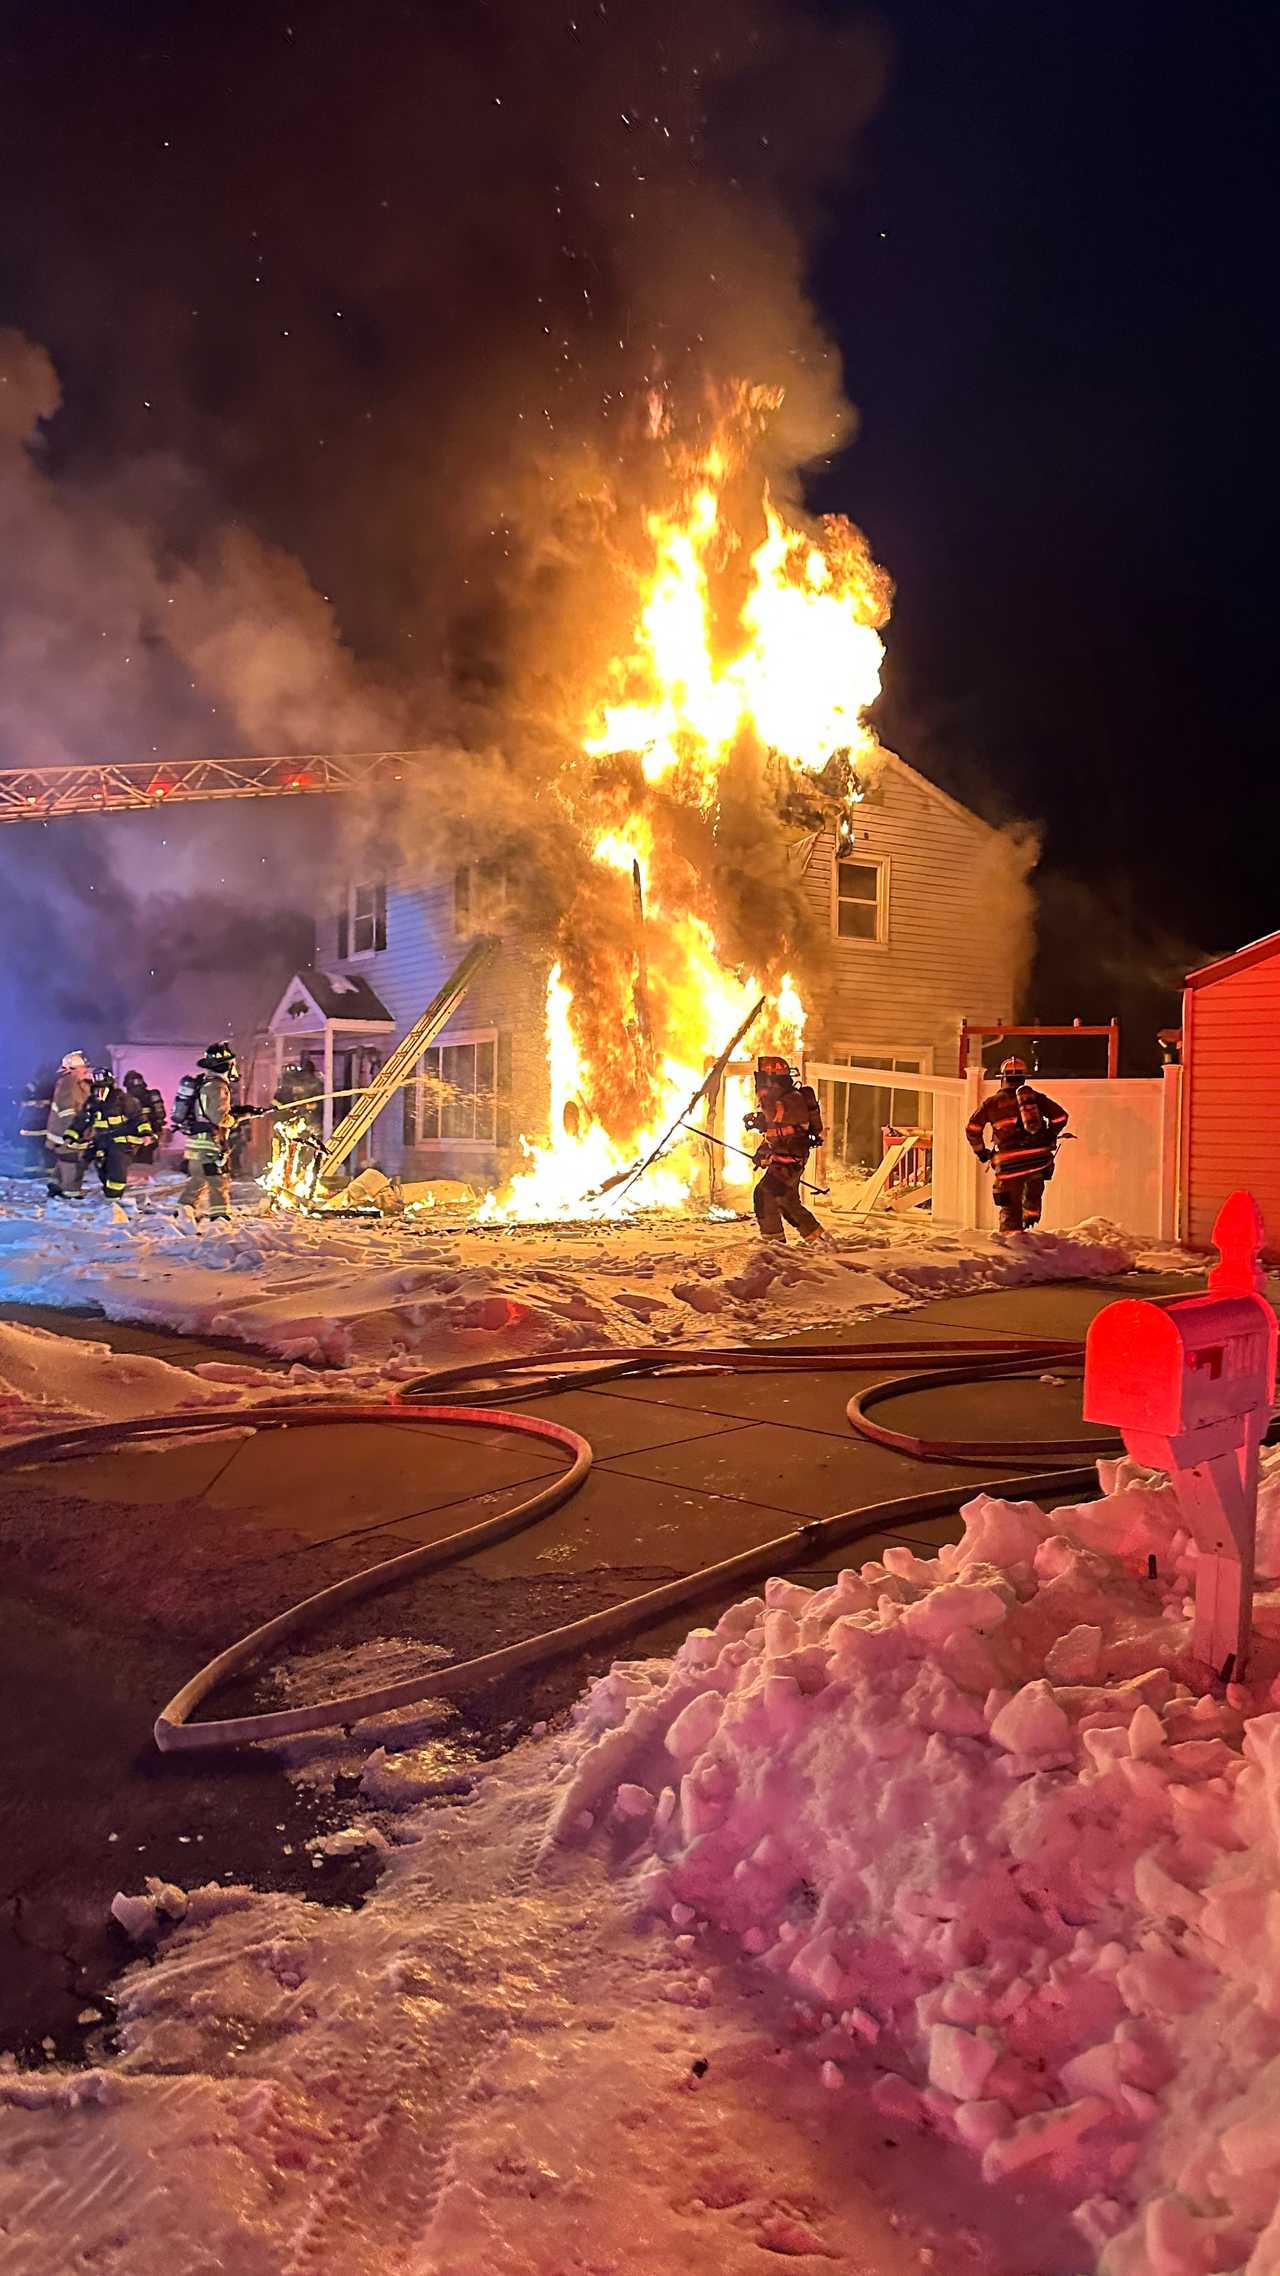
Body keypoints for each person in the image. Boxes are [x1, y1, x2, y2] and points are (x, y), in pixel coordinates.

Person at [965, 1056, 1069, 1234]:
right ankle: (1031, 1223)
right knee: (1032, 1200)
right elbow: (1061, 1117)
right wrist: (1049, 1135)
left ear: (1003, 1078)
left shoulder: (992, 1104)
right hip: (1037, 1162)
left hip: (1009, 1165)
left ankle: (1013, 1250)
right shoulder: (1036, 1099)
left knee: (1009, 1210)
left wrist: (982, 1152)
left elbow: (972, 1129)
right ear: (1023, 1078)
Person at [173, 1043, 266, 1222]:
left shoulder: (204, 1082)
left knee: (198, 1180)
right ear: (227, 1065)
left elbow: (209, 1111)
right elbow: (219, 1118)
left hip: (196, 1143)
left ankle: (183, 1212)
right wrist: (235, 1120)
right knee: (218, 1181)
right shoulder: (217, 1087)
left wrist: (245, 1111)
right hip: (210, 1144)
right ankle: (219, 1217)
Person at [744, 1053, 825, 1244]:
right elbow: (775, 1131)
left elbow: (776, 1115)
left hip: (791, 1158)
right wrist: (763, 1150)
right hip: (785, 1157)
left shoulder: (792, 1098)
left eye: (764, 1079)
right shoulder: (781, 1099)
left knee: (765, 1195)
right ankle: (820, 1241)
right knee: (787, 1201)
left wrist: (762, 1103)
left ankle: (774, 1247)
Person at [66, 1066, 156, 1201]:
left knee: (116, 1168)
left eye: (103, 1087)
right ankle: (108, 1193)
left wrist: (145, 1134)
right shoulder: (92, 1102)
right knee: (102, 1168)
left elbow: (138, 1118)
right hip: (101, 1140)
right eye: (97, 1088)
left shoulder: (123, 1099)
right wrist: (71, 1135)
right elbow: (82, 1119)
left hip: (120, 1141)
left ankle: (113, 1200)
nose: (99, 1092)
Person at [44, 1049, 94, 1199]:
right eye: (82, 1068)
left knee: (66, 1159)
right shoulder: (68, 1084)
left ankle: (56, 1184)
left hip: (66, 1131)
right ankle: (71, 1192)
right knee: (72, 1161)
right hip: (67, 1131)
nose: (85, 1070)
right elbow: (67, 1111)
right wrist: (73, 1132)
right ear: (72, 1069)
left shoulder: (75, 1083)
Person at [122, 1069, 166, 1165]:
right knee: (143, 1160)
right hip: (146, 1135)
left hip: (139, 1136)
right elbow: (160, 1115)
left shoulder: (125, 1099)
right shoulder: (152, 1095)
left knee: (138, 1162)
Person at [18, 1064, 56, 1173]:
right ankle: (36, 1170)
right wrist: (37, 1103)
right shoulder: (33, 1086)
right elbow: (23, 1101)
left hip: (41, 1124)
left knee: (40, 1149)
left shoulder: (49, 1087)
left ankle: (45, 1170)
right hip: (36, 1124)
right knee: (40, 1148)